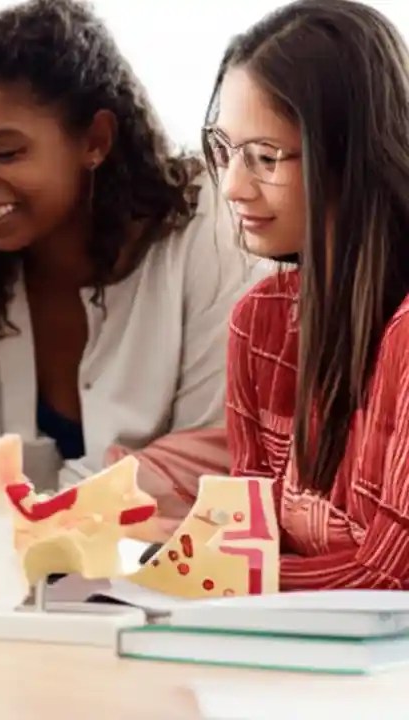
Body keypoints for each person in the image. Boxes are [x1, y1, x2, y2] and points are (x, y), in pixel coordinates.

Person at [0, 0, 262, 602]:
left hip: (174, 607)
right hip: (24, 615)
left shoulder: (209, 231)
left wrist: (15, 542)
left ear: (95, 140)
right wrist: (0, 542)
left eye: (5, 152)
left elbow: (214, 459)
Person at [215, 0, 409, 590]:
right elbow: (247, 546)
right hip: (286, 641)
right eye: (225, 149)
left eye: (264, 157)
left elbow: (392, 575)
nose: (232, 186)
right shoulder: (259, 322)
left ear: (351, 155)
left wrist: (198, 589)